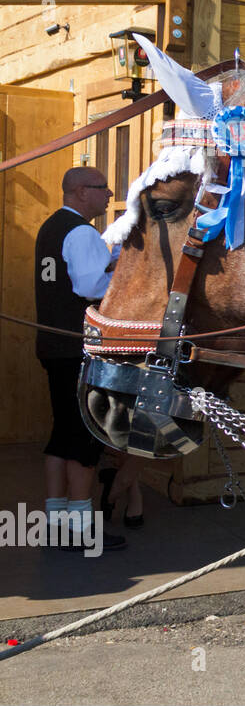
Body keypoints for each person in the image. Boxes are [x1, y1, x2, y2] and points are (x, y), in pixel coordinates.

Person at [34, 166, 125, 551]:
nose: (108, 194)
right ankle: (79, 529)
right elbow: (90, 286)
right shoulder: (83, 232)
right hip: (80, 349)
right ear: (78, 192)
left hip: (54, 347)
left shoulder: (49, 228)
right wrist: (123, 274)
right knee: (87, 439)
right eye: (102, 187)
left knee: (62, 436)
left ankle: (56, 522)